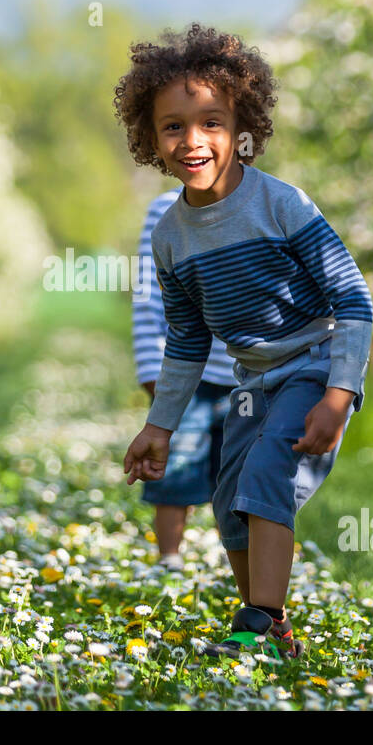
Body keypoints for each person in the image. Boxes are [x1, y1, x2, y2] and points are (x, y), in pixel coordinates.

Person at [113, 23, 373, 660]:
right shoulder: (171, 235)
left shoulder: (282, 206)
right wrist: (161, 426)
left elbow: (354, 299)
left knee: (266, 476)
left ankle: (255, 622)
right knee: (230, 504)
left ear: (243, 126)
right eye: (173, 126)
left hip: (312, 363)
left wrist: (339, 394)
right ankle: (271, 626)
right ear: (150, 139)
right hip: (252, 381)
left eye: (212, 122)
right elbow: (188, 338)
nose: (192, 140)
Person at [132, 189, 237, 570]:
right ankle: (169, 559)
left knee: (242, 476)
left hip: (248, 372)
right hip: (182, 371)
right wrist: (150, 367)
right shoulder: (164, 208)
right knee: (174, 465)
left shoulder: (265, 203)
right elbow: (148, 291)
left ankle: (241, 565)